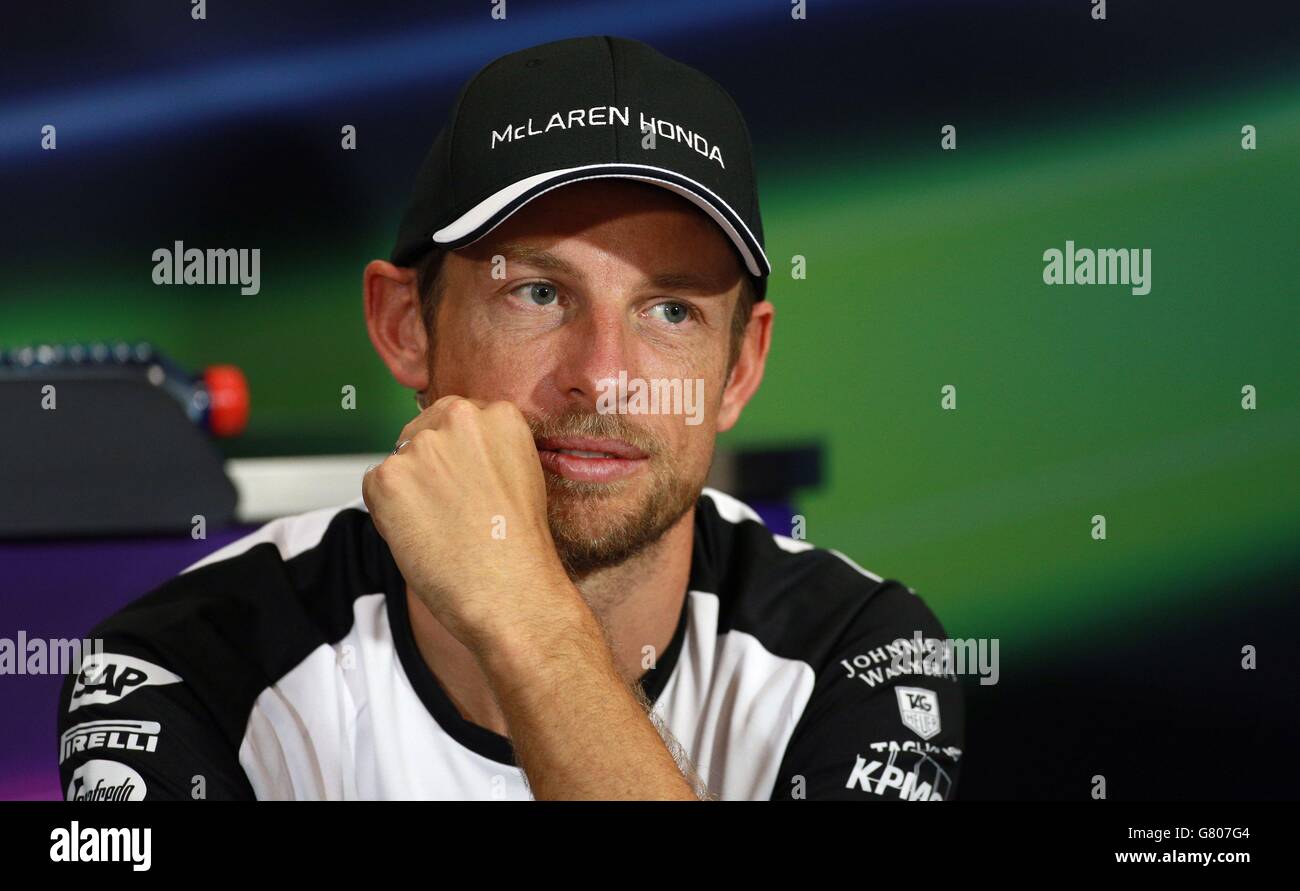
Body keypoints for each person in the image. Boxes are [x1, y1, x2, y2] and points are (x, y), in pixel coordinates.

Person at [58, 35, 963, 801]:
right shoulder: (182, 665)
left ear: (742, 365)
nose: (604, 377)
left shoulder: (859, 653)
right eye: (537, 292)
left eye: (672, 310)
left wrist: (523, 616)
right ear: (405, 326)